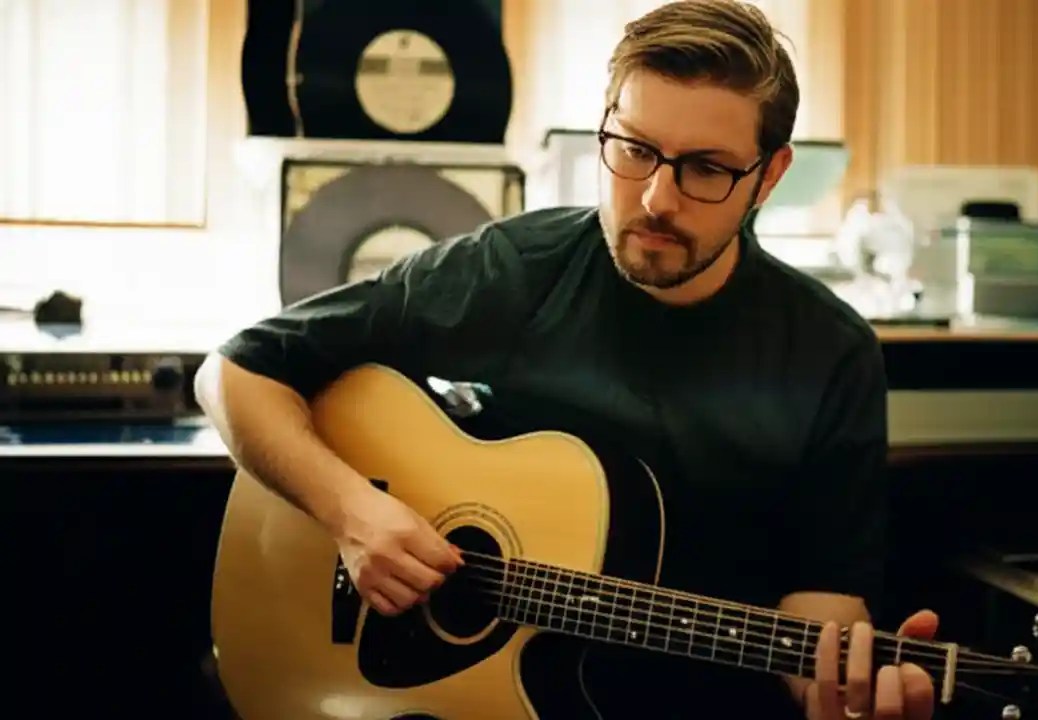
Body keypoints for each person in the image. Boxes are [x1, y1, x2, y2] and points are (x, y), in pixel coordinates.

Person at [196, 1, 938, 717]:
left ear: (769, 178)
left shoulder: (830, 351)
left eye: (706, 168)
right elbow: (233, 373)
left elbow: (822, 603)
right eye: (634, 148)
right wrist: (354, 514)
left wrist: (836, 696)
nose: (654, 198)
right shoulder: (514, 270)